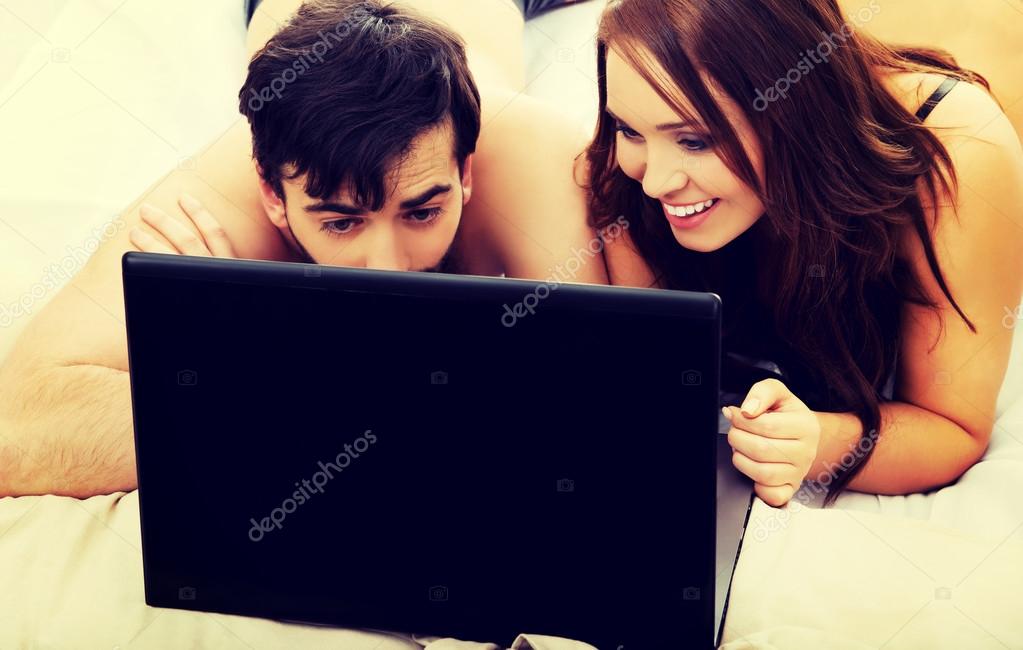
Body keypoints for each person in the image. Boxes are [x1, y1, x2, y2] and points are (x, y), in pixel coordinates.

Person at [0, 0, 606, 497]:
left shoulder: (534, 159)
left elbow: (607, 406)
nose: (389, 270)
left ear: (465, 173)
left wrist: (261, 395)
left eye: (422, 213)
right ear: (272, 194)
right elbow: (19, 427)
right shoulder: (215, 205)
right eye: (341, 223)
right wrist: (261, 384)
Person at [583, 0, 1023, 506]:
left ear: (794, 110)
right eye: (630, 130)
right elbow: (657, 381)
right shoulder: (628, 163)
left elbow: (953, 427)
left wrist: (814, 443)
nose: (656, 182)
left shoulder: (957, 147)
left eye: (695, 140)